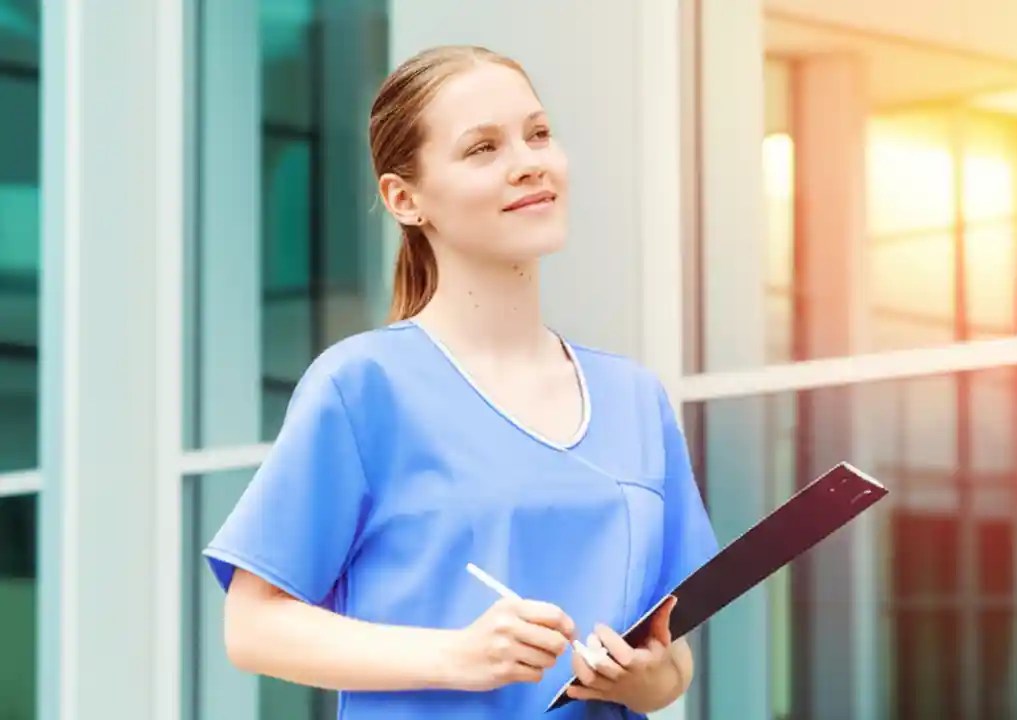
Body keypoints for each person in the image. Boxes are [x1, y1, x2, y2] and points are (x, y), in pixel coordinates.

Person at [202, 45, 719, 719]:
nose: (529, 161)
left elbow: (671, 659)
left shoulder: (634, 400)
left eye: (538, 134)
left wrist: (639, 677)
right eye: (483, 148)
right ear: (405, 199)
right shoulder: (364, 388)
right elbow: (253, 627)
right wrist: (456, 657)